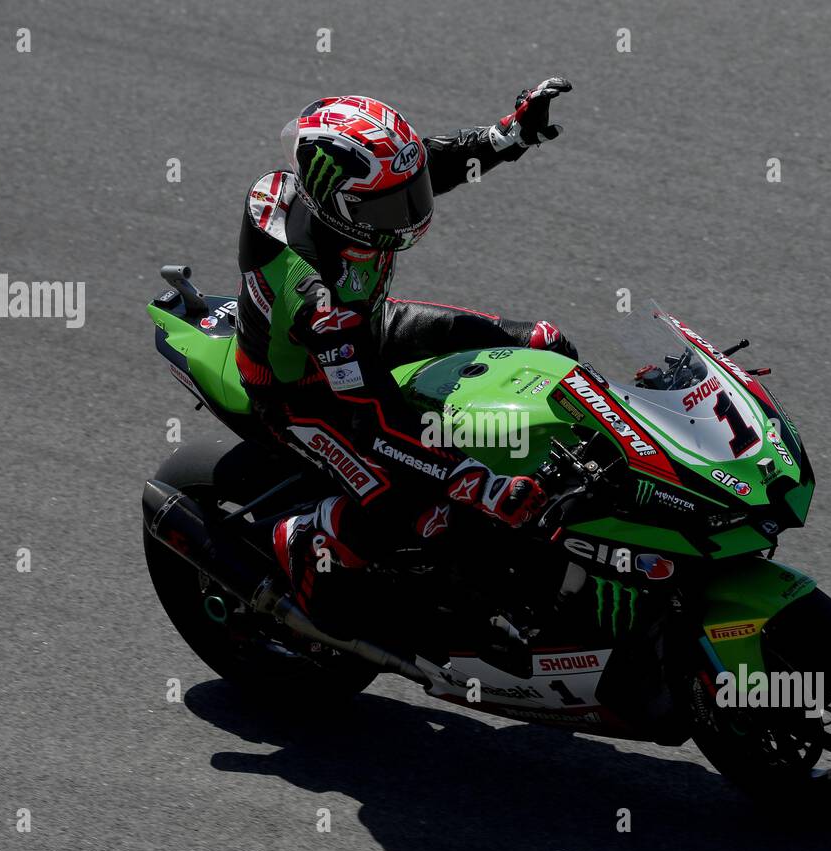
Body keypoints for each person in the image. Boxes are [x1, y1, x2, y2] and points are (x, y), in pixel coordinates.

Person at [234, 80, 576, 628]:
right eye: (396, 205)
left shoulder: (349, 201)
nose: (412, 211)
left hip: (373, 322)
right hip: (305, 389)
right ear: (340, 205)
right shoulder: (312, 291)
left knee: (544, 342)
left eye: (409, 196)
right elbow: (374, 421)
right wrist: (477, 480)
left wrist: (508, 135)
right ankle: (303, 541)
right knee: (415, 509)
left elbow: (428, 167)